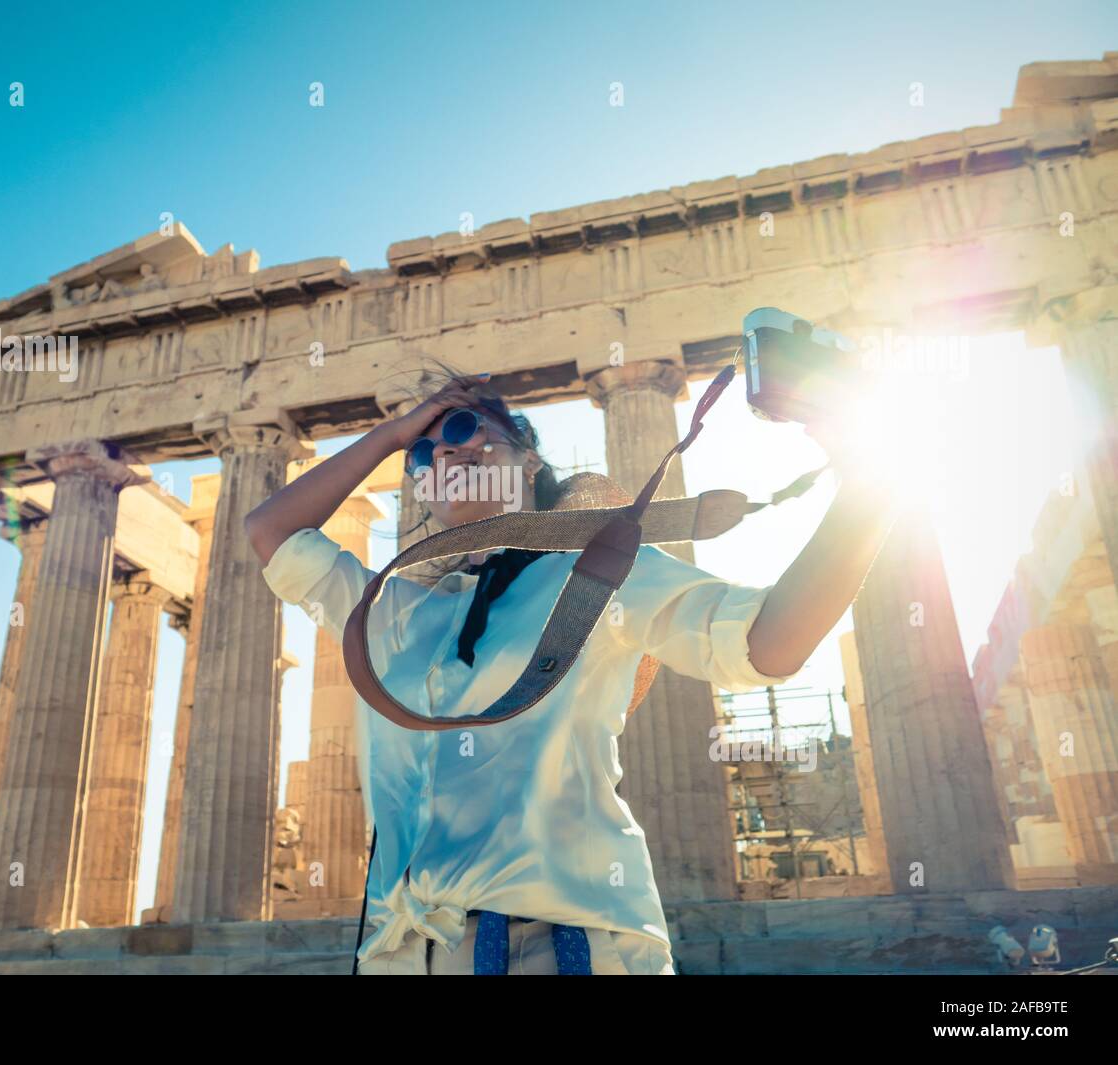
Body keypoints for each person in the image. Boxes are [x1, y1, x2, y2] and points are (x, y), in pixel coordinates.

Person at [245, 369, 901, 974]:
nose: (444, 451)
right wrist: (392, 435)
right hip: (399, 951)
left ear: (528, 459)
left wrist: (873, 482)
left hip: (559, 946)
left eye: (466, 430)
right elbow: (270, 530)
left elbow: (768, 642)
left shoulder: (600, 572)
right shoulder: (389, 611)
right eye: (426, 452)